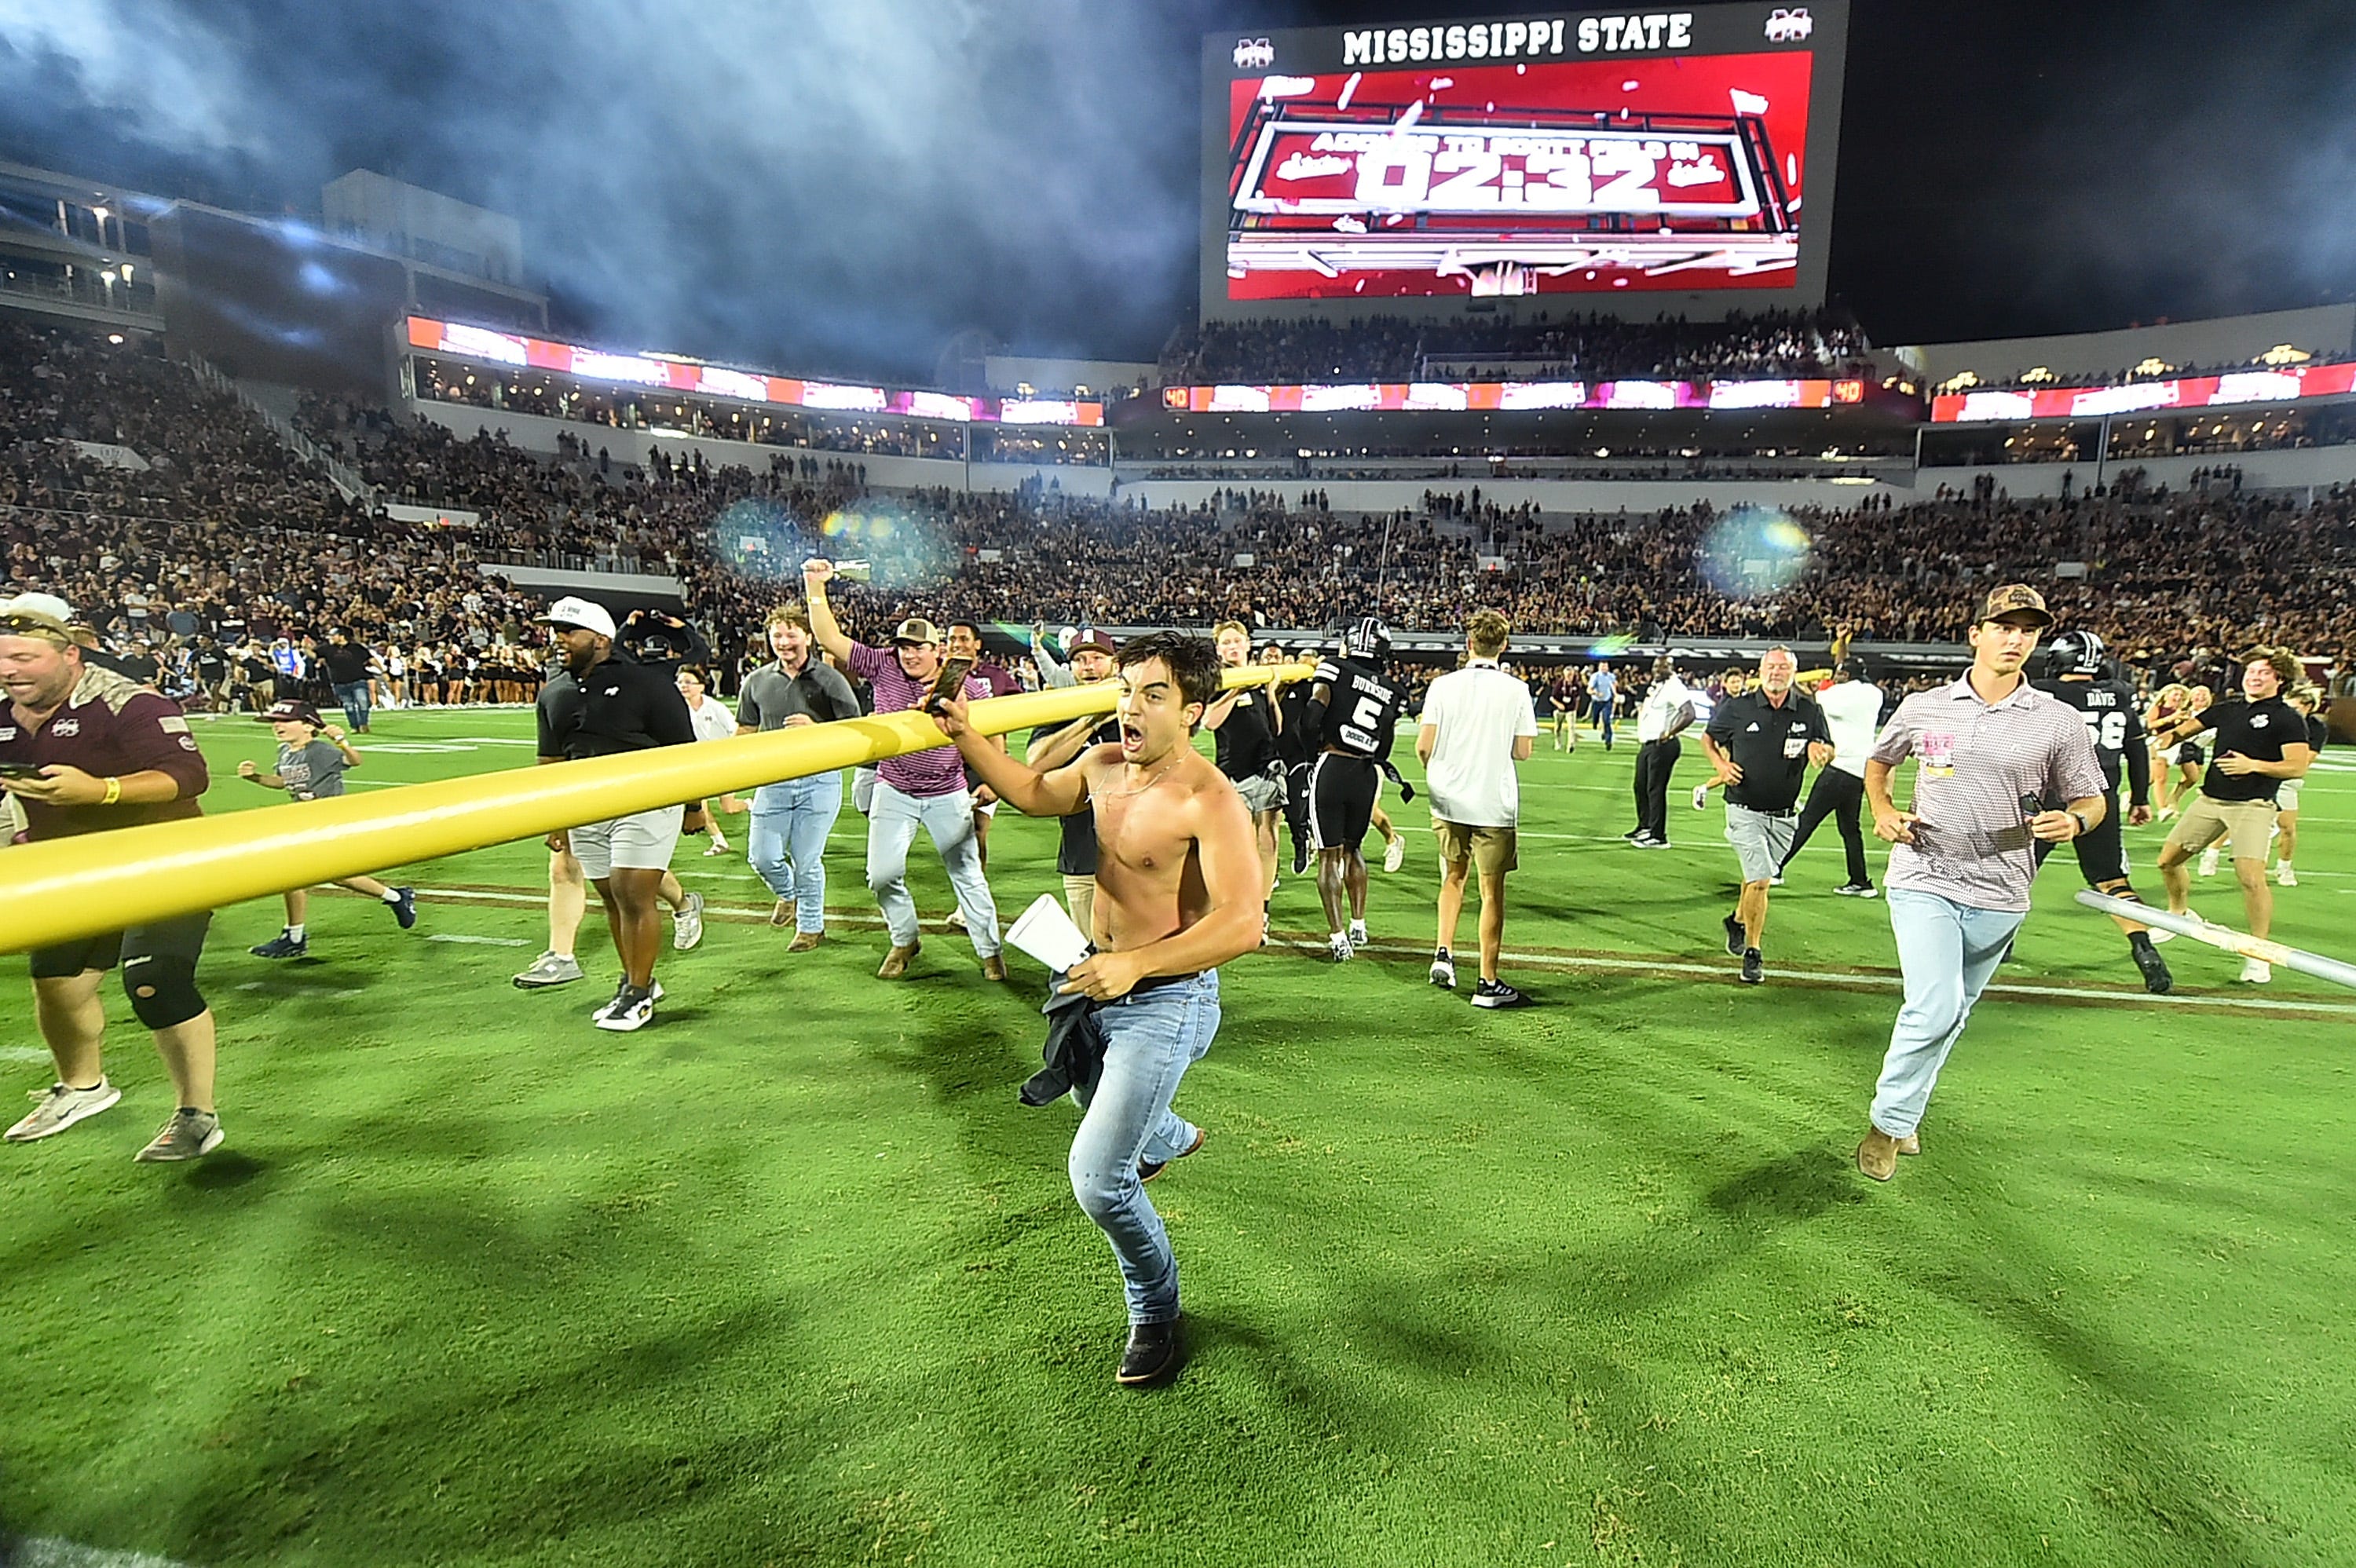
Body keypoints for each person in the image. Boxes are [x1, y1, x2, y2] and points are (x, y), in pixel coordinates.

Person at [936, 630, 1261, 1387]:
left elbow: (1244, 922)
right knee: (1089, 1091)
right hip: (1096, 974)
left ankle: (1156, 1308)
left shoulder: (1208, 799)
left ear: (1195, 710)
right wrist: (965, 733)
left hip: (1168, 996)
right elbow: (1031, 793)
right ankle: (1171, 1133)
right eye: (1126, 689)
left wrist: (1136, 965)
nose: (1131, 708)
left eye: (1154, 695)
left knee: (1096, 1175)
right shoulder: (1104, 764)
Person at [1857, 584, 2109, 1182]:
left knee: (1955, 1012)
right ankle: (1888, 1123)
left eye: (2028, 629)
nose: (2015, 638)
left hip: (2002, 890)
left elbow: (2093, 798)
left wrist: (2073, 820)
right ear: (1976, 633)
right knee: (1935, 1004)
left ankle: (1908, 1109)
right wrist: (1884, 810)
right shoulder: (1925, 706)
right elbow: (1879, 762)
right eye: (2003, 626)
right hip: (1926, 874)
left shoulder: (2058, 720)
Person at [0, 598, 224, 1161]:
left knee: (155, 980)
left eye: (25, 658)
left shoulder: (128, 700)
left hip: (165, 858)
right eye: (2, 659)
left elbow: (189, 775)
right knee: (55, 979)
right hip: (75, 865)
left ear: (69, 654)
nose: (9, 670)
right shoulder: (5, 712)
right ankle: (82, 1087)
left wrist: (102, 790)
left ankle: (197, 1114)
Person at [800, 559, 1006, 981]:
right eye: (904, 647)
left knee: (967, 873)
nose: (910, 654)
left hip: (947, 790)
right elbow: (829, 638)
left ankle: (990, 951)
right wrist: (814, 587)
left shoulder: (963, 681)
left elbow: (995, 729)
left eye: (919, 647)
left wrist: (990, 778)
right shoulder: (882, 665)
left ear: (938, 651)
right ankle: (904, 938)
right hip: (894, 787)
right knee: (881, 875)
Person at [532, 596, 700, 1031]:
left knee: (632, 891)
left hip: (647, 799)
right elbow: (551, 762)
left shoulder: (647, 684)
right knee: (611, 896)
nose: (558, 640)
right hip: (587, 805)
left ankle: (639, 996)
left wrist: (694, 805)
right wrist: (557, 820)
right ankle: (634, 981)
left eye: (569, 631)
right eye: (556, 632)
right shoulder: (554, 692)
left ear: (601, 640)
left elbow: (685, 749)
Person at [2148, 646, 2314, 983]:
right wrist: (2165, 736)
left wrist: (2252, 765)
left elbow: (2297, 766)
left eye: (2263, 672)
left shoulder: (2286, 718)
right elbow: (2183, 731)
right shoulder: (2228, 710)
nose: (2253, 676)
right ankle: (2180, 914)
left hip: (2253, 804)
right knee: (2168, 861)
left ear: (2279, 679)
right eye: (2251, 671)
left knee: (2250, 878)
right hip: (2210, 800)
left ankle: (2259, 953)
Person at [2026, 630, 2173, 994]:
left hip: (2051, 794)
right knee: (2112, 881)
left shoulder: (2043, 690)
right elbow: (2137, 749)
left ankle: (1997, 945)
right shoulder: (2120, 692)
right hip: (2100, 795)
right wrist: (2140, 797)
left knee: (2015, 875)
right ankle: (2145, 949)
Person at [1416, 610, 1537, 1006]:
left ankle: (1444, 953)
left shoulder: (1441, 686)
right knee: (1491, 892)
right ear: (1503, 645)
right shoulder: (1517, 690)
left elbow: (1423, 746)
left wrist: (1442, 772)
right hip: (1492, 803)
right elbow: (1523, 751)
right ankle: (1487, 982)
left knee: (1452, 877)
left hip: (1449, 798)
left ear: (1469, 644)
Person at [237, 700, 419, 955]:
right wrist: (255, 777)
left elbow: (354, 761)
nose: (277, 725)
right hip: (307, 823)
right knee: (335, 876)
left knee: (292, 874)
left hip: (331, 822)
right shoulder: (286, 752)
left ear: (309, 725)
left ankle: (295, 937)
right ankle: (397, 897)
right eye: (275, 721)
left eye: (285, 720)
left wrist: (342, 741)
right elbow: (282, 782)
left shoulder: (319, 750)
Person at [1700, 648, 1833, 985]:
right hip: (1743, 808)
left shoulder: (1809, 709)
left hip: (1785, 815)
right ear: (1761, 671)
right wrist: (1721, 766)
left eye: (1783, 667)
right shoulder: (1739, 707)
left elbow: (1826, 744)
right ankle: (1753, 952)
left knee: (1753, 877)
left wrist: (1821, 750)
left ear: (1794, 672)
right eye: (1771, 666)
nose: (1776, 672)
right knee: (1761, 880)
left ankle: (1736, 920)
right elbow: (1709, 738)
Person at [734, 605, 862, 948]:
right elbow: (745, 729)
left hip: (818, 781)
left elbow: (856, 730)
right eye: (777, 634)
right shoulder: (756, 681)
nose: (783, 641)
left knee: (807, 860)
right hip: (772, 782)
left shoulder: (830, 679)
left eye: (791, 634)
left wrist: (817, 728)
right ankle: (788, 893)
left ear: (807, 636)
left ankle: (810, 926)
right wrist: (728, 779)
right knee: (762, 857)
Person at [1306, 617, 1409, 960]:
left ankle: (1337, 937)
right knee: (1354, 849)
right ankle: (1359, 924)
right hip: (1366, 772)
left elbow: (1311, 715)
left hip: (1333, 765)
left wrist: (1310, 755)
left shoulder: (1333, 668)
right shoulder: (1393, 689)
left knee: (1327, 856)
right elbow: (1386, 746)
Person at [1024, 628, 1123, 937]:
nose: (1089, 666)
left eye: (1097, 658)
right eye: (1080, 660)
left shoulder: (1136, 710)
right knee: (1091, 947)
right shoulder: (1061, 710)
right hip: (1082, 853)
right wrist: (1088, 722)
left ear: (1115, 664)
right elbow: (1036, 762)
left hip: (1139, 852)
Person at [1773, 658, 1883, 897]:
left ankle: (1774, 869)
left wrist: (1790, 681)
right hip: (1860, 770)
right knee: (1850, 829)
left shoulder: (1838, 694)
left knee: (1807, 820)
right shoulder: (1875, 693)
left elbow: (1811, 701)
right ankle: (1860, 881)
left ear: (1844, 675)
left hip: (1840, 767)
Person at [1202, 620, 1287, 923]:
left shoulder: (1261, 676)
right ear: (1218, 649)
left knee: (1269, 838)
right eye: (1225, 643)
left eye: (1237, 641)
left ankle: (1262, 909)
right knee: (1235, 842)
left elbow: (1276, 727)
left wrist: (1272, 694)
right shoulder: (1216, 681)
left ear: (1248, 644)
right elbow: (1210, 722)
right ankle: (1234, 902)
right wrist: (1237, 688)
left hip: (1266, 766)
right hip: (1232, 772)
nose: (1232, 647)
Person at [675, 664, 742, 857]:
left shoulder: (715, 707)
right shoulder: (678, 709)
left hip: (723, 760)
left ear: (701, 686)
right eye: (680, 682)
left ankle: (749, 804)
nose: (683, 686)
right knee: (700, 805)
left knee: (729, 808)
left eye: (688, 682)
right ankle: (719, 841)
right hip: (698, 763)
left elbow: (735, 730)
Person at [1629, 656, 1696, 847]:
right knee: (1640, 786)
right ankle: (1645, 826)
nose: (1658, 669)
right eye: (1656, 666)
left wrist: (1670, 732)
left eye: (1663, 666)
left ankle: (1658, 836)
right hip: (1649, 743)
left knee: (1655, 789)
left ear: (1672, 668)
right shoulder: (1658, 685)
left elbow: (1689, 713)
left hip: (1662, 745)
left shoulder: (1675, 687)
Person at [2271, 684, 2328, 886]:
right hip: (2261, 773)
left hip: (2286, 778)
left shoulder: (2316, 728)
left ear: (2308, 707)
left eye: (2296, 707)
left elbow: (2306, 760)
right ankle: (2213, 854)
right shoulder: (2279, 720)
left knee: (2287, 827)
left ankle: (2284, 867)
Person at [317, 628, 378, 734]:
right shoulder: (327, 649)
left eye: (333, 635)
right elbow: (314, 655)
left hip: (358, 679)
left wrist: (383, 670)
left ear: (341, 636)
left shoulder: (356, 648)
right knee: (348, 706)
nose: (331, 638)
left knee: (363, 702)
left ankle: (363, 724)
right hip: (340, 682)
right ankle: (354, 726)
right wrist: (305, 648)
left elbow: (370, 658)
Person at [1586, 660, 1619, 749]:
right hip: (1597, 701)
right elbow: (1589, 690)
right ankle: (1596, 725)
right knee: (1595, 720)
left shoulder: (1611, 676)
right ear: (1599, 668)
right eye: (1603, 667)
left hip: (1606, 701)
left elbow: (1613, 685)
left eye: (1606, 667)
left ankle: (1608, 740)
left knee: (1606, 720)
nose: (1604, 668)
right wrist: (1595, 693)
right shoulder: (1595, 676)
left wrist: (1615, 694)